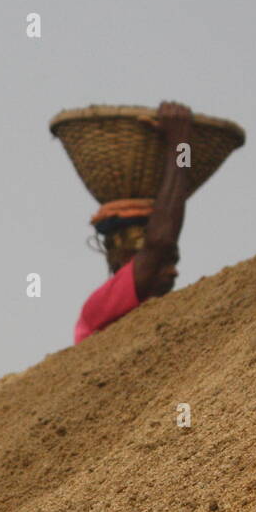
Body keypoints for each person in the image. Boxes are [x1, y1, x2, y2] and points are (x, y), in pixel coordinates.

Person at [74, 100, 193, 344]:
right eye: (161, 262)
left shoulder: (162, 322)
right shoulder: (97, 308)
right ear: (121, 260)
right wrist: (180, 146)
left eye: (172, 261)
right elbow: (161, 241)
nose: (173, 271)